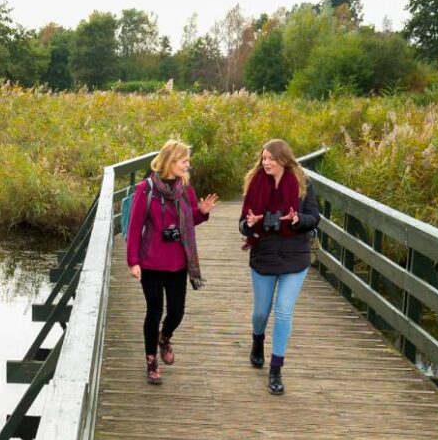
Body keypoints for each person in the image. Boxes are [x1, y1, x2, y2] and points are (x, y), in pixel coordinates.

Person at [125, 139, 218, 385]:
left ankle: (164, 337)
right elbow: (134, 228)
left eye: (188, 161)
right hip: (152, 263)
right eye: (184, 161)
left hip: (178, 262)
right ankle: (151, 362)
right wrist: (132, 261)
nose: (188, 165)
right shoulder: (146, 189)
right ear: (170, 161)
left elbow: (191, 221)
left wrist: (203, 211)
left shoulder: (184, 188)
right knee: (154, 312)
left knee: (176, 312)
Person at [239, 139, 321, 396]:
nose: (266, 163)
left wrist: (297, 220)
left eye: (271, 159)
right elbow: (242, 224)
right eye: (263, 158)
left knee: (283, 311)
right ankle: (257, 340)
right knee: (261, 312)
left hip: (295, 256)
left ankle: (276, 370)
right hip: (263, 255)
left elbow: (314, 217)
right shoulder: (255, 183)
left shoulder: (303, 183)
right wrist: (250, 224)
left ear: (283, 159)